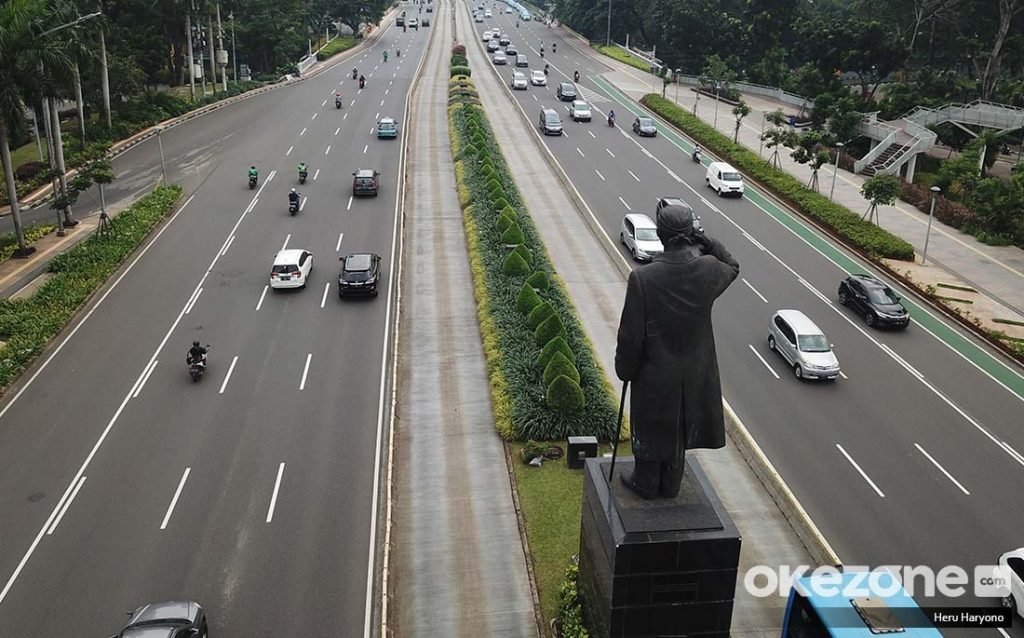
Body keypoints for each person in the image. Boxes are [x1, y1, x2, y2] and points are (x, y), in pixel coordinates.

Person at [614, 205, 739, 500]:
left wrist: (625, 369)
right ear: (689, 234)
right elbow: (732, 265)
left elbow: (631, 336)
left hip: (655, 373)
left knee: (651, 425)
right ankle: (670, 484)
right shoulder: (708, 270)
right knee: (679, 429)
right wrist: (705, 240)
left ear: (660, 234)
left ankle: (646, 482)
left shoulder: (644, 279)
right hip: (694, 373)